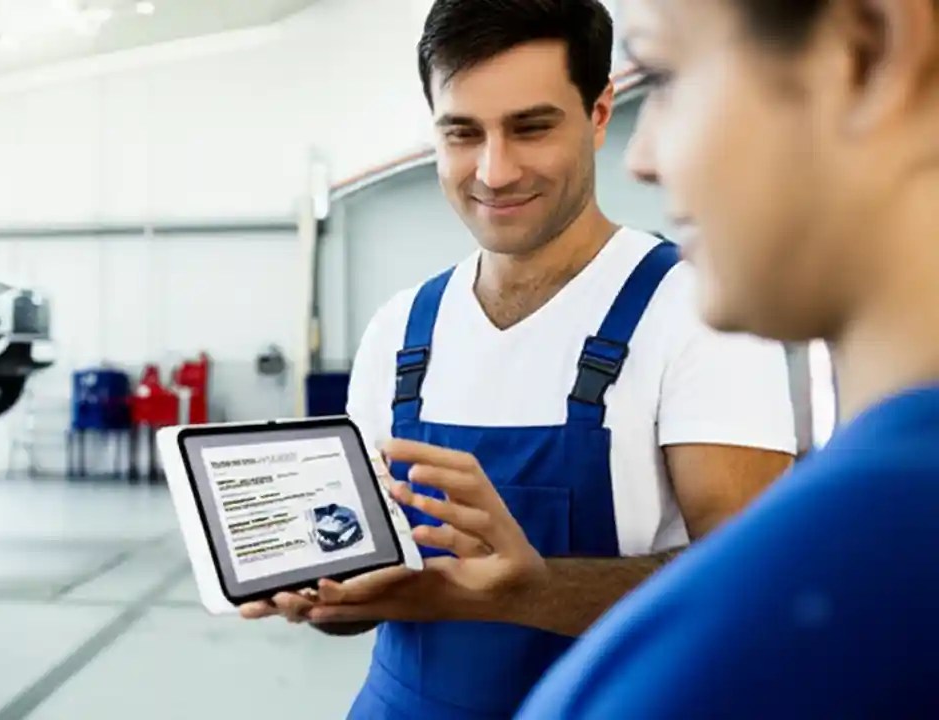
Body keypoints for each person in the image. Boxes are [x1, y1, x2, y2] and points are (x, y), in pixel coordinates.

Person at [304, 0, 939, 716]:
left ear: (600, 114)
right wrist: (326, 587)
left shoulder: (700, 307)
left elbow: (751, 595)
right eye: (462, 133)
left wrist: (533, 588)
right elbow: (365, 582)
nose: (494, 169)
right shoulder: (398, 327)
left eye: (532, 127)